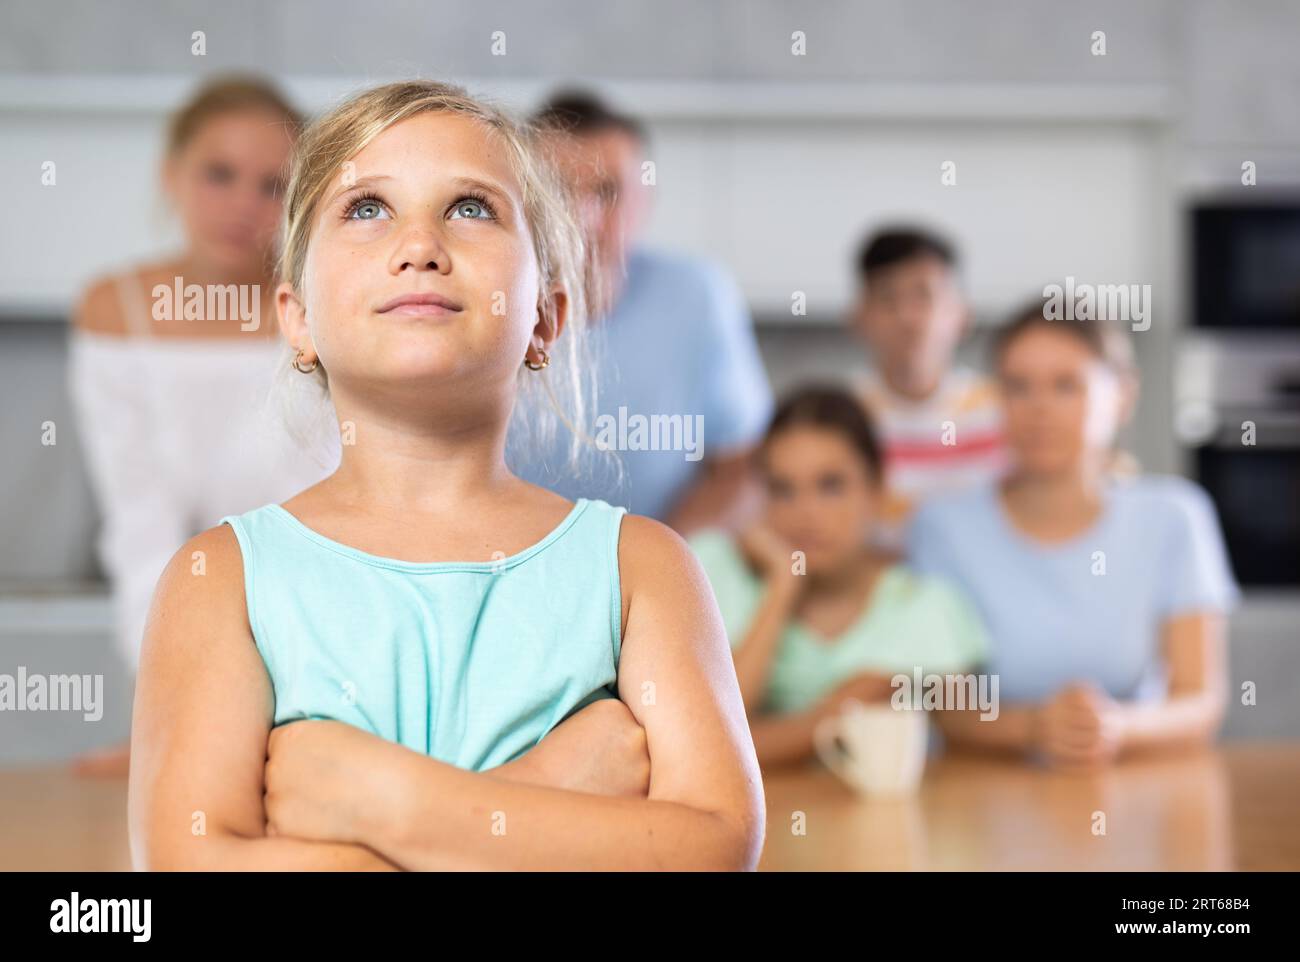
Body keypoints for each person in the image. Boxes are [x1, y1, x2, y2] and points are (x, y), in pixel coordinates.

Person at [128, 80, 764, 871]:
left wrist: (374, 801)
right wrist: (555, 787)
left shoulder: (646, 570)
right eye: (365, 210)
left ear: (545, 318)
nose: (419, 243)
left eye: (471, 207)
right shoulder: (217, 579)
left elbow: (715, 847)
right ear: (297, 320)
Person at [67, 75, 337, 778]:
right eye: (219, 174)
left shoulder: (323, 306)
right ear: (171, 175)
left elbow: (329, 513)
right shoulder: (113, 308)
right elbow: (141, 523)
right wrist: (167, 716)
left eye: (272, 184)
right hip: (185, 645)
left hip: (328, 653)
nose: (242, 206)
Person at [907, 304, 1238, 769]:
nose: (1039, 409)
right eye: (1018, 386)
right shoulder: (942, 527)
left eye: (1067, 385)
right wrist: (1036, 727)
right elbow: (945, 708)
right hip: (982, 801)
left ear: (1123, 396)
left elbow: (1201, 700)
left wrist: (1116, 726)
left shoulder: (1175, 517)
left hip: (1133, 796)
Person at [510, 91, 774, 532]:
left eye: (608, 191)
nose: (583, 218)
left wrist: (652, 567)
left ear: (646, 199)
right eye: (557, 191)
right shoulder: (477, 305)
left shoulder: (699, 295)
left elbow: (743, 468)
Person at [687, 385, 990, 769]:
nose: (805, 513)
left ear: (877, 490)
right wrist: (782, 588)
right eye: (783, 490)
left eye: (830, 486)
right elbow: (705, 744)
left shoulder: (923, 607)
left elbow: (966, 747)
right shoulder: (710, 573)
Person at [848, 227, 1005, 548]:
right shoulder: (839, 418)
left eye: (924, 295)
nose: (907, 316)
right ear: (858, 316)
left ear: (962, 314)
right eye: (887, 298)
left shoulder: (1006, 412)